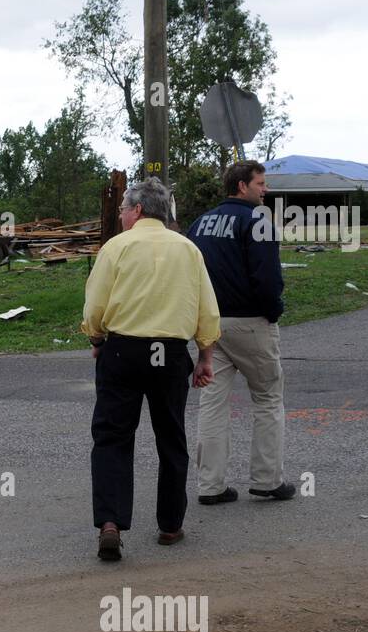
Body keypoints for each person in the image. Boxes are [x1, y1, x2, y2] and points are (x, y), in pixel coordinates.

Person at [81, 177, 221, 562]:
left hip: (124, 350)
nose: (123, 215)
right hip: (171, 353)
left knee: (112, 437)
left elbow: (94, 306)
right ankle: (170, 524)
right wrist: (206, 356)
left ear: (138, 209)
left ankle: (110, 522)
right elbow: (207, 309)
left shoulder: (116, 248)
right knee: (171, 437)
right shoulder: (189, 251)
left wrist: (96, 341)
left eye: (124, 209)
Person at [187, 160, 295, 505]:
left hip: (210, 325)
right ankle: (266, 479)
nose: (266, 190)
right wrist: (273, 310)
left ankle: (210, 485)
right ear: (241, 186)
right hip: (250, 322)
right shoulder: (258, 221)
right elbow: (267, 276)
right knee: (267, 397)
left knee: (213, 403)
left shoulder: (200, 223)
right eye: (260, 184)